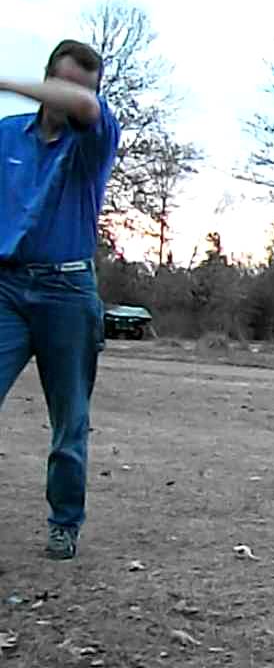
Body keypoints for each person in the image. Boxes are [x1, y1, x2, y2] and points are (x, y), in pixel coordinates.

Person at [0, 39, 120, 560]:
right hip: (7, 287)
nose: (75, 98)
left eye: (84, 89)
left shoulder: (93, 137)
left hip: (68, 291)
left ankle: (64, 521)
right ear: (48, 81)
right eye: (64, 85)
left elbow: (88, 109)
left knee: (69, 418)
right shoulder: (7, 137)